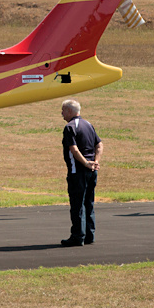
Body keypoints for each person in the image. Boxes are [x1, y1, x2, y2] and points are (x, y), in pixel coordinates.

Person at [60, 99, 103, 246]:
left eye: (63, 110)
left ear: (70, 111)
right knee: (88, 203)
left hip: (77, 171)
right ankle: (89, 235)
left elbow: (74, 149)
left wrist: (85, 163)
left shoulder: (70, 127)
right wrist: (95, 161)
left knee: (78, 204)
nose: (61, 113)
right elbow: (99, 144)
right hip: (92, 171)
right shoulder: (88, 124)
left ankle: (78, 236)